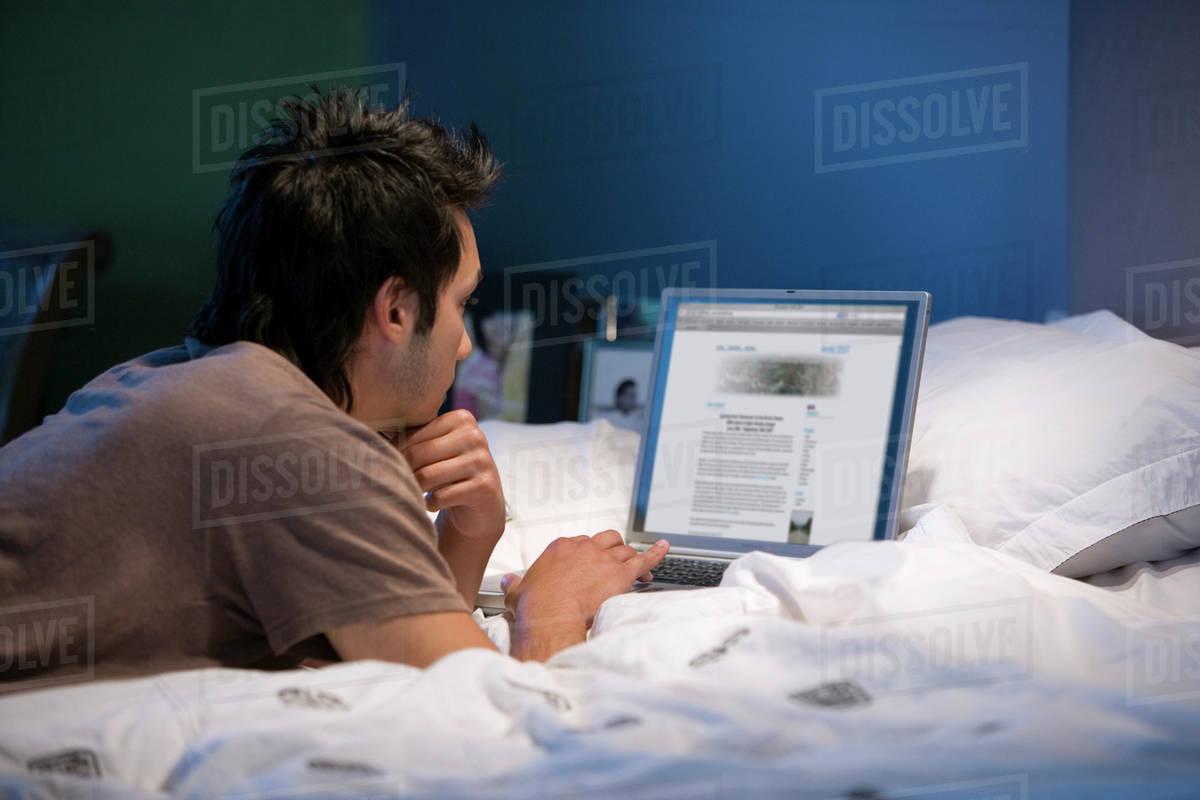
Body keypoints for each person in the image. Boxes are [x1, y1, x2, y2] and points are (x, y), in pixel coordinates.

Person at [0, 89, 667, 689]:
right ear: (397, 311)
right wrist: (551, 610)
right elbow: (487, 724)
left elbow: (381, 663)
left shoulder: (181, 380)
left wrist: (470, 534)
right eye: (462, 303)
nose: (464, 344)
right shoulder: (298, 445)